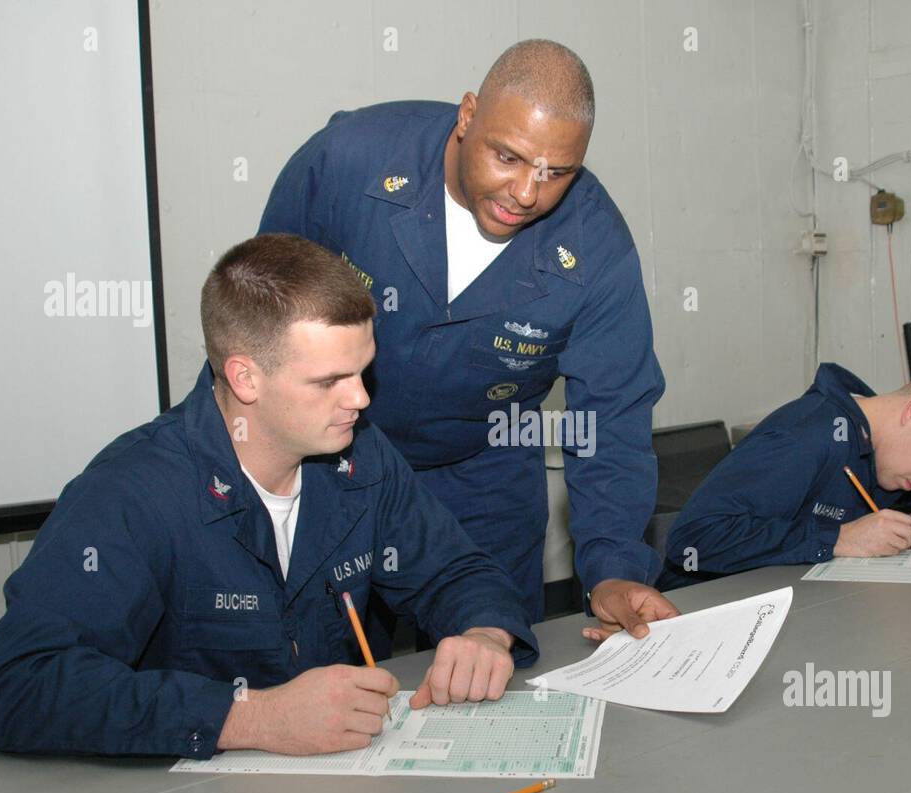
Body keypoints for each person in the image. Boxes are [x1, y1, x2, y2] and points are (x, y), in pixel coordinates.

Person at [0, 234, 539, 758]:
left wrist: (484, 633)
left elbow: (456, 572)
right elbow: (12, 685)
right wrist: (251, 718)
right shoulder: (132, 491)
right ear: (245, 378)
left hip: (345, 788)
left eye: (364, 371)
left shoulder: (361, 457)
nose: (361, 399)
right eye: (329, 381)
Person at [259, 39, 677, 641]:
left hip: (485, 473)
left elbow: (612, 415)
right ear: (467, 115)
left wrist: (612, 569)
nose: (526, 192)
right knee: (323, 663)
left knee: (496, 659)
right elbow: (258, 315)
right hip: (334, 459)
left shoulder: (596, 246)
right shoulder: (349, 162)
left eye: (556, 173)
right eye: (507, 157)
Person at [658, 363, 911, 591]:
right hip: (704, 615)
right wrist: (839, 539)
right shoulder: (805, 438)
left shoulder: (895, 454)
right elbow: (693, 539)